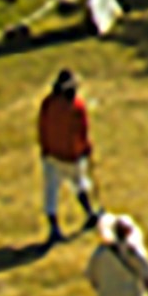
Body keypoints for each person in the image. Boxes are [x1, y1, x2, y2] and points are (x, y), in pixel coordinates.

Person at [36, 71, 97, 240]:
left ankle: (54, 228)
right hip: (71, 154)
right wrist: (85, 148)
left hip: (51, 153)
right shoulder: (77, 106)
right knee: (79, 183)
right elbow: (82, 131)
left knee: (51, 191)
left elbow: (42, 126)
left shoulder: (48, 103)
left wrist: (45, 147)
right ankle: (90, 213)